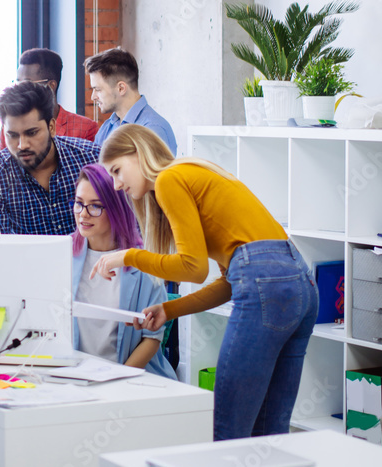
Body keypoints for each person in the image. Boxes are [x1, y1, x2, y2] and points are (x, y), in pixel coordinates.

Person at [90, 124, 317, 440]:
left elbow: (192, 269)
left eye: (116, 170)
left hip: (267, 283)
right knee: (269, 434)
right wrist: (170, 310)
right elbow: (230, 283)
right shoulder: (191, 172)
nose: (116, 185)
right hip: (301, 285)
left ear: (137, 152)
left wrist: (127, 256)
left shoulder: (169, 178)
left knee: (227, 428)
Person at [71, 164, 177, 380]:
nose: (83, 214)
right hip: (75, 377)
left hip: (132, 378)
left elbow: (152, 338)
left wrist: (116, 380)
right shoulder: (62, 256)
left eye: (95, 206)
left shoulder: (143, 262)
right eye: (79, 204)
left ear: (117, 209)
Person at [0, 81, 99, 235]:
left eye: (32, 133)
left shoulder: (91, 158)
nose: (22, 145)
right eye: (12, 135)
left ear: (51, 128)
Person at [0, 48, 99, 149]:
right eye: (18, 82)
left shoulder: (85, 129)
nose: (20, 88)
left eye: (27, 83)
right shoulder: (10, 128)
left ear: (51, 86)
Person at [85, 47, 177, 155]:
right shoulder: (107, 128)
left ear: (121, 88)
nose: (93, 97)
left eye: (98, 89)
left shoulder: (153, 130)